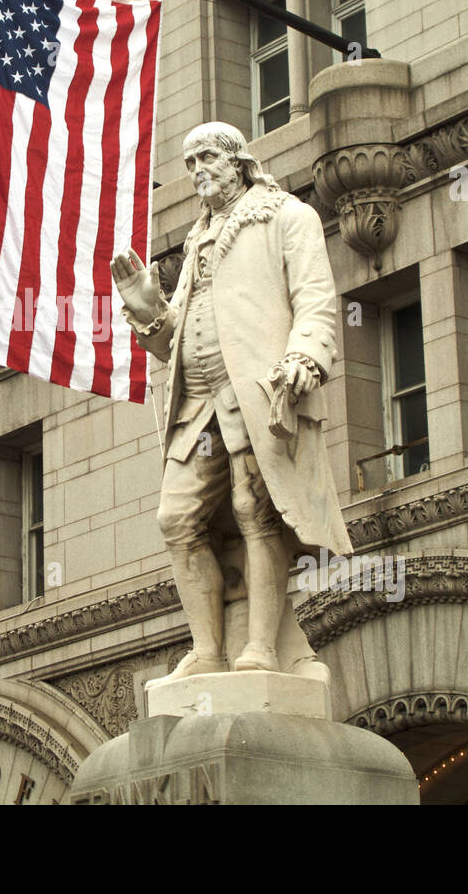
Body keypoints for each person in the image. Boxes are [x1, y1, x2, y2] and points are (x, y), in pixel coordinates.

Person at [111, 122, 352, 687]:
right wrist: (146, 305)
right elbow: (174, 338)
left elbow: (315, 301)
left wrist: (305, 359)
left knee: (255, 511)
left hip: (256, 394)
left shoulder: (287, 216)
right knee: (176, 518)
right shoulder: (199, 237)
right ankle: (207, 650)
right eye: (190, 160)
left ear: (239, 161)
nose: (198, 170)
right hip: (197, 404)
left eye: (208, 158)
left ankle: (263, 647)